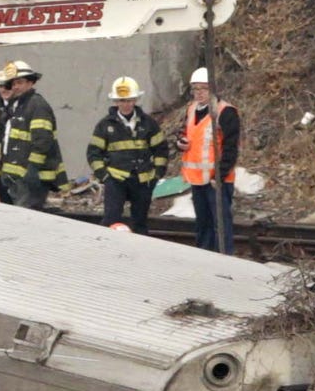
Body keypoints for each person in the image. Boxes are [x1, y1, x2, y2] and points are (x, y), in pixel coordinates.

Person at [0, 62, 64, 211]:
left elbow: (42, 141)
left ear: (31, 82)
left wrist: (32, 169)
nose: (16, 87)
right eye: (13, 83)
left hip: (31, 177)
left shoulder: (37, 104)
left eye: (20, 82)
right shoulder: (17, 105)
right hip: (15, 176)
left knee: (27, 218)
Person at [177, 68, 242, 254]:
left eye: (203, 88)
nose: (199, 92)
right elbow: (185, 133)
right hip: (197, 179)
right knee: (203, 224)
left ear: (213, 89)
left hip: (217, 181)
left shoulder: (225, 112)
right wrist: (180, 143)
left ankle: (224, 258)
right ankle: (204, 256)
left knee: (220, 225)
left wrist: (219, 176)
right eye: (195, 89)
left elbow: (231, 148)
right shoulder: (191, 110)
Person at [87, 78, 165, 231]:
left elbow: (161, 149)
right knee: (111, 220)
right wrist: (105, 176)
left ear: (135, 99)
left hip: (143, 180)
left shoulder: (148, 123)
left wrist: (157, 174)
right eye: (122, 100)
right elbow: (93, 153)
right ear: (115, 101)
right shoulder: (105, 125)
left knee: (140, 223)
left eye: (129, 100)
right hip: (116, 180)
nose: (126, 104)